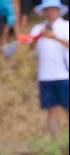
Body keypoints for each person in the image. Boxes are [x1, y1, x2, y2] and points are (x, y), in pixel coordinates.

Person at [29, 0, 69, 136]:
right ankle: (56, 143)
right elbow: (31, 48)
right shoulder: (37, 28)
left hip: (64, 74)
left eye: (53, 9)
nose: (51, 12)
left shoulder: (66, 26)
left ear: (58, 10)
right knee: (51, 110)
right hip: (45, 75)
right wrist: (37, 37)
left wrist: (54, 37)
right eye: (48, 9)